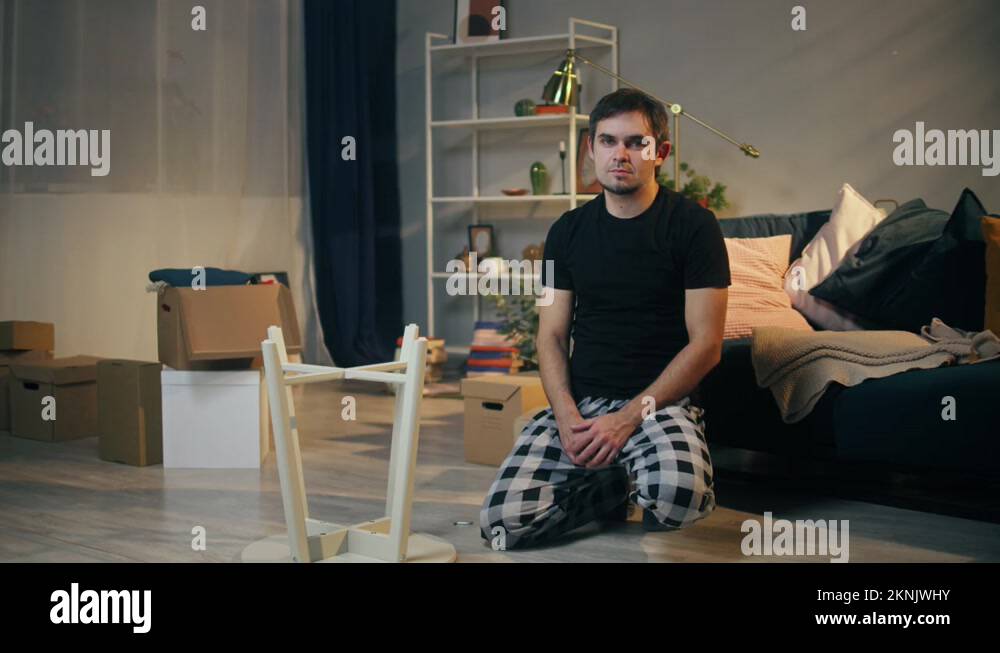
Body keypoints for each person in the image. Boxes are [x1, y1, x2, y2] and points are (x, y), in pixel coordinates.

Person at [479, 88, 731, 550]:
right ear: (591, 149)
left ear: (661, 153)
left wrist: (628, 418)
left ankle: (628, 475)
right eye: (608, 141)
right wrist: (566, 414)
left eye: (637, 142)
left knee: (679, 498)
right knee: (503, 524)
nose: (621, 154)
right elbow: (550, 336)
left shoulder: (694, 226)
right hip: (583, 404)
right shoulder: (565, 232)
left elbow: (706, 344)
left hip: (659, 407)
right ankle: (613, 486)